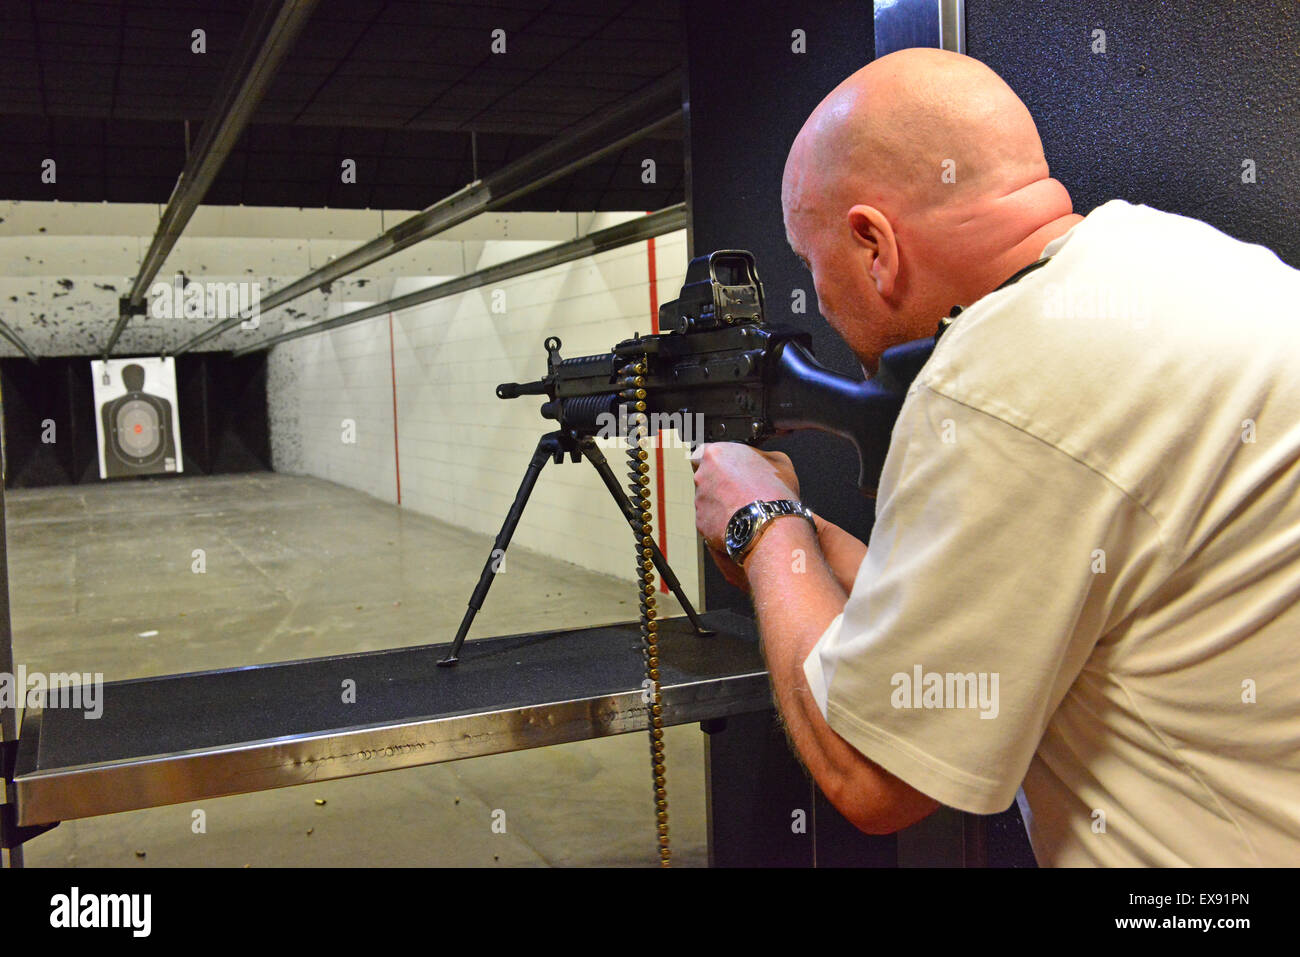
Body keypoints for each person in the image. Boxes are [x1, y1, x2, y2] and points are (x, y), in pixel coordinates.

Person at [690, 47, 1300, 866]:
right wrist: (804, 533)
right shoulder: (1194, 263)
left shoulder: (992, 382)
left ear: (873, 243)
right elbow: (977, 611)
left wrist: (760, 526)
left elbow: (871, 773)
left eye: (813, 263)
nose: (822, 299)